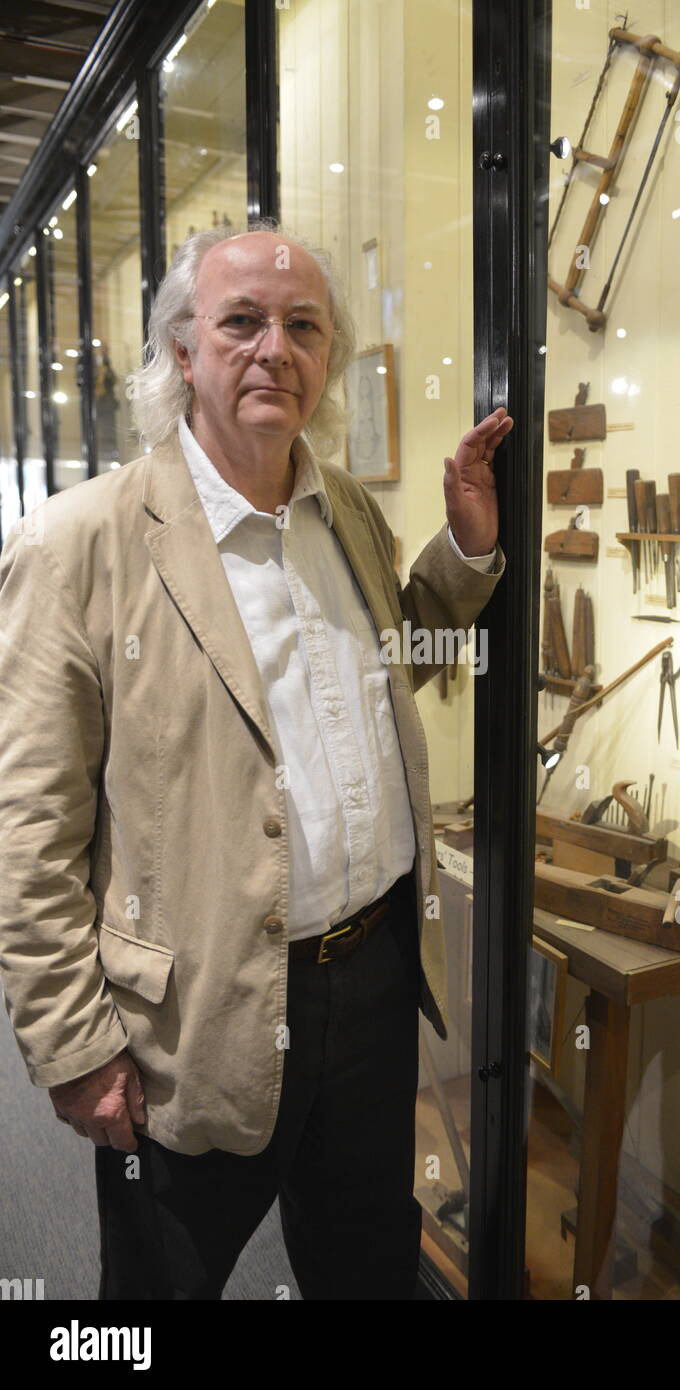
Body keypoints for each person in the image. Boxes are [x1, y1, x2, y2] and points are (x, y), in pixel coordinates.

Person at [0, 223, 511, 1300]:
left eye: (303, 326)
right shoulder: (76, 544)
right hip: (194, 1018)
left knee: (366, 1266)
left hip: (372, 980)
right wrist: (73, 1043)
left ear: (327, 358)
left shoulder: (347, 512)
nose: (275, 348)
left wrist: (467, 550)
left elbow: (381, 674)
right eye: (241, 322)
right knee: (157, 1290)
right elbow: (29, 830)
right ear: (184, 352)